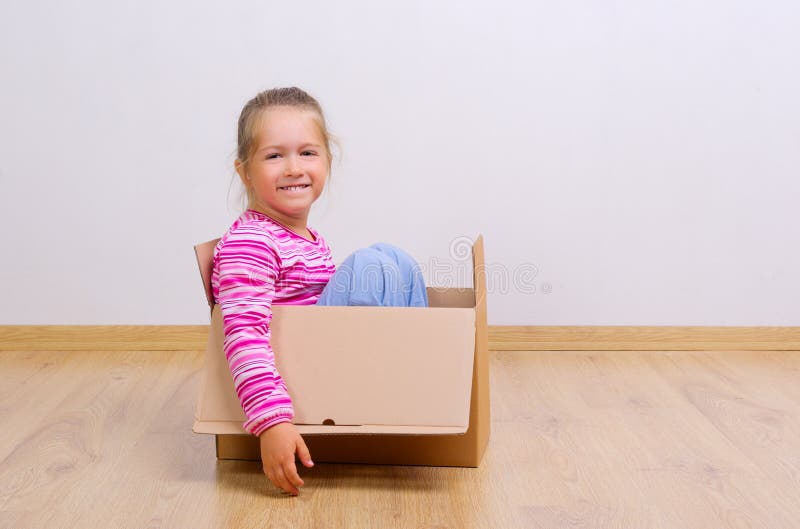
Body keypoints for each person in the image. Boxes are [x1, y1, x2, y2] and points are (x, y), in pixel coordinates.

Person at [211, 87, 427, 497]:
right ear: (244, 172)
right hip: (302, 383)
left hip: (329, 359)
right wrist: (272, 422)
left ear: (328, 161)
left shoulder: (307, 238)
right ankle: (391, 385)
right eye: (274, 156)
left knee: (392, 257)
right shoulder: (251, 243)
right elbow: (244, 335)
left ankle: (415, 371)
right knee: (371, 266)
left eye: (307, 153)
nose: (294, 167)